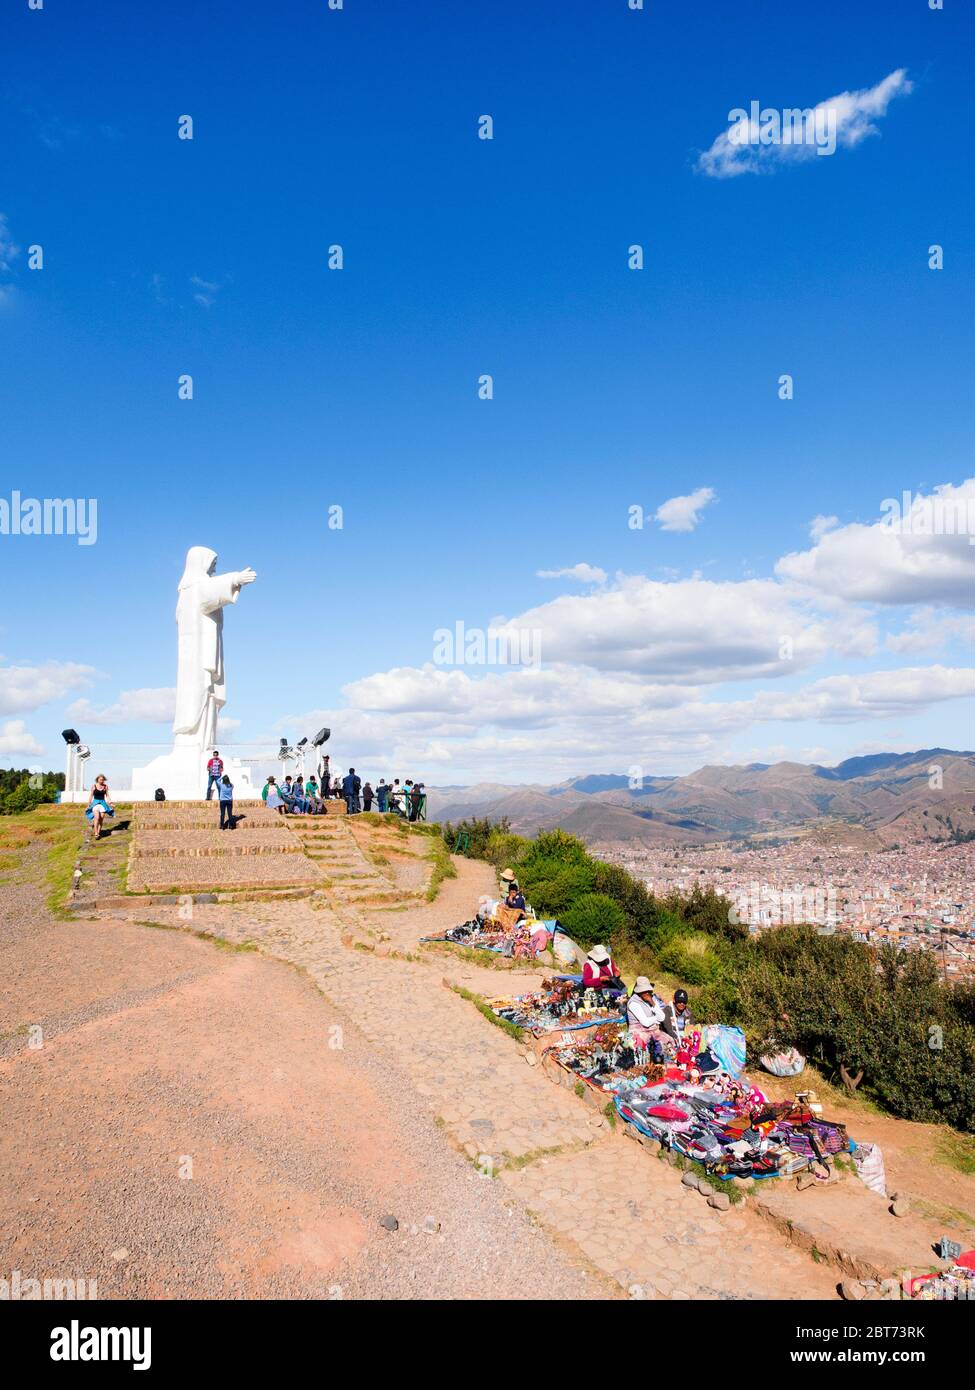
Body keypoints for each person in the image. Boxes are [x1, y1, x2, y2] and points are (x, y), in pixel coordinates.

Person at [627, 977, 676, 1057]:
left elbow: (662, 1017)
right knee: (649, 1048)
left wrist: (652, 1003)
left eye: (648, 991)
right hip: (639, 1032)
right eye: (644, 991)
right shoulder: (633, 1002)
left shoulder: (651, 998)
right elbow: (645, 1022)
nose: (647, 993)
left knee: (668, 1043)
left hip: (653, 1030)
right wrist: (656, 1019)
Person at [85, 774, 115, 840]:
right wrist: (88, 804)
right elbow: (91, 796)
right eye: (100, 779)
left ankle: (98, 833)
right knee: (97, 817)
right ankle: (95, 833)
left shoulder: (105, 786)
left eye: (103, 779)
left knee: (101, 819)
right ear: (97, 779)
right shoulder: (94, 786)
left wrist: (110, 803)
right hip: (95, 803)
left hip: (103, 804)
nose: (101, 781)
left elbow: (107, 796)